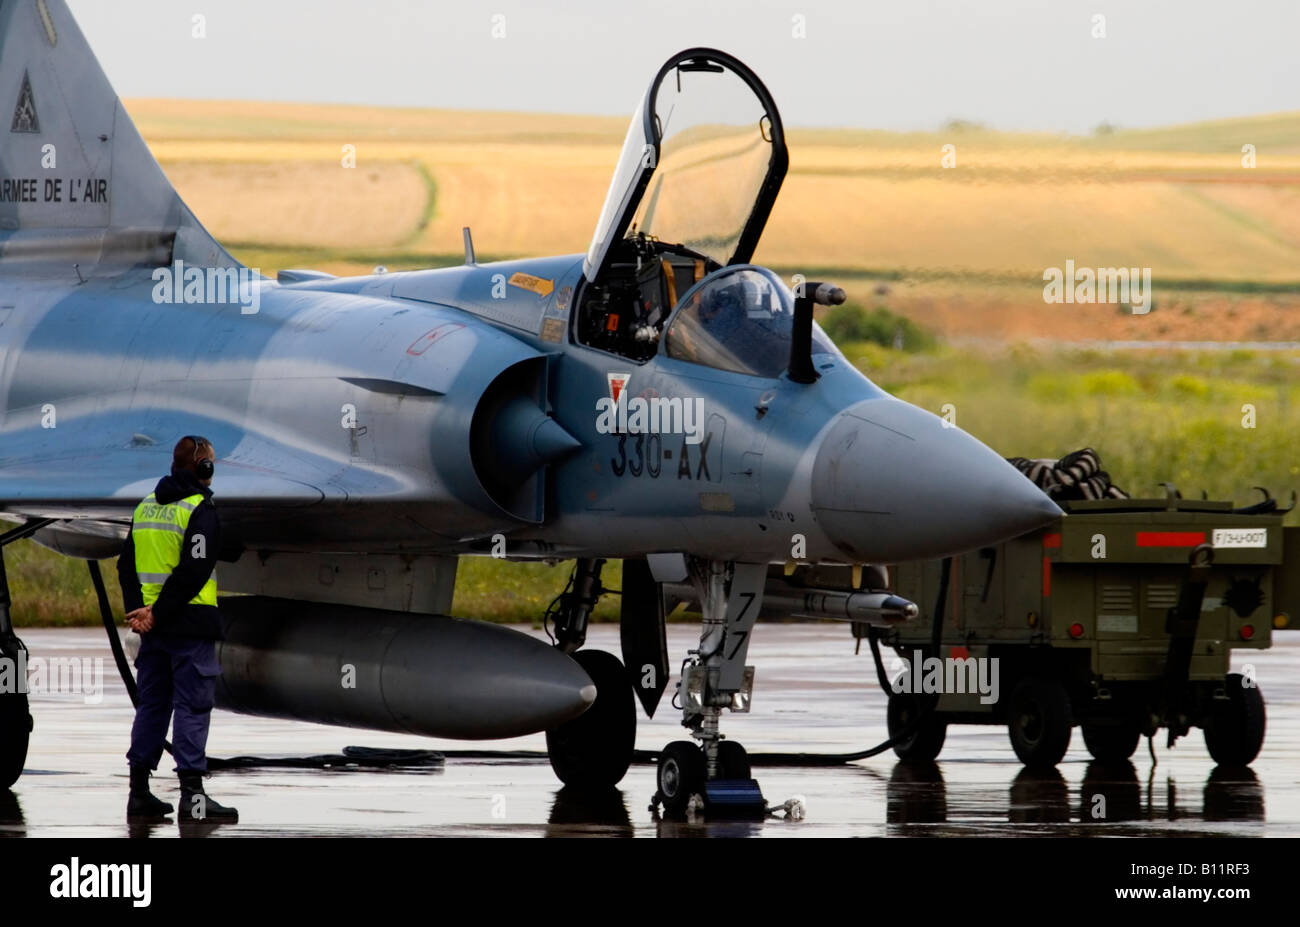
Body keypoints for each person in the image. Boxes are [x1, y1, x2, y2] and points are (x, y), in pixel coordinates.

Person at [118, 435, 238, 822]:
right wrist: (159, 613)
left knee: (153, 706)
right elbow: (195, 570)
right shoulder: (198, 509)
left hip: (153, 631)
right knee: (192, 707)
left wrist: (139, 611)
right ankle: (194, 799)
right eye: (211, 463)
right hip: (186, 626)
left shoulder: (145, 506)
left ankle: (139, 795)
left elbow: (125, 566)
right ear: (203, 467)